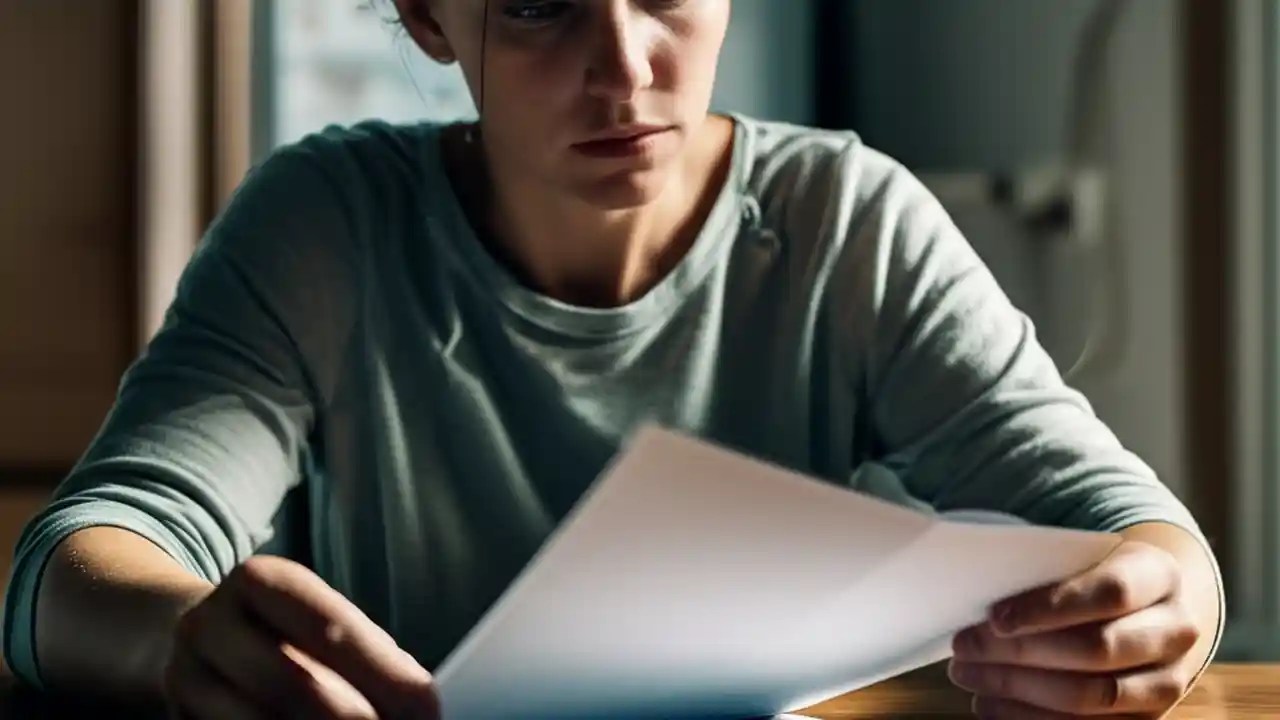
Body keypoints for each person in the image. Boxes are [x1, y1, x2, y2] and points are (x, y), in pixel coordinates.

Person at [4, 1, 1223, 718]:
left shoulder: (845, 225)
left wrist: (1170, 603)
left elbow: (1128, 527)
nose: (627, 69)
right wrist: (179, 638)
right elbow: (77, 561)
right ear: (428, 15)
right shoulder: (328, 227)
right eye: (542, 5)